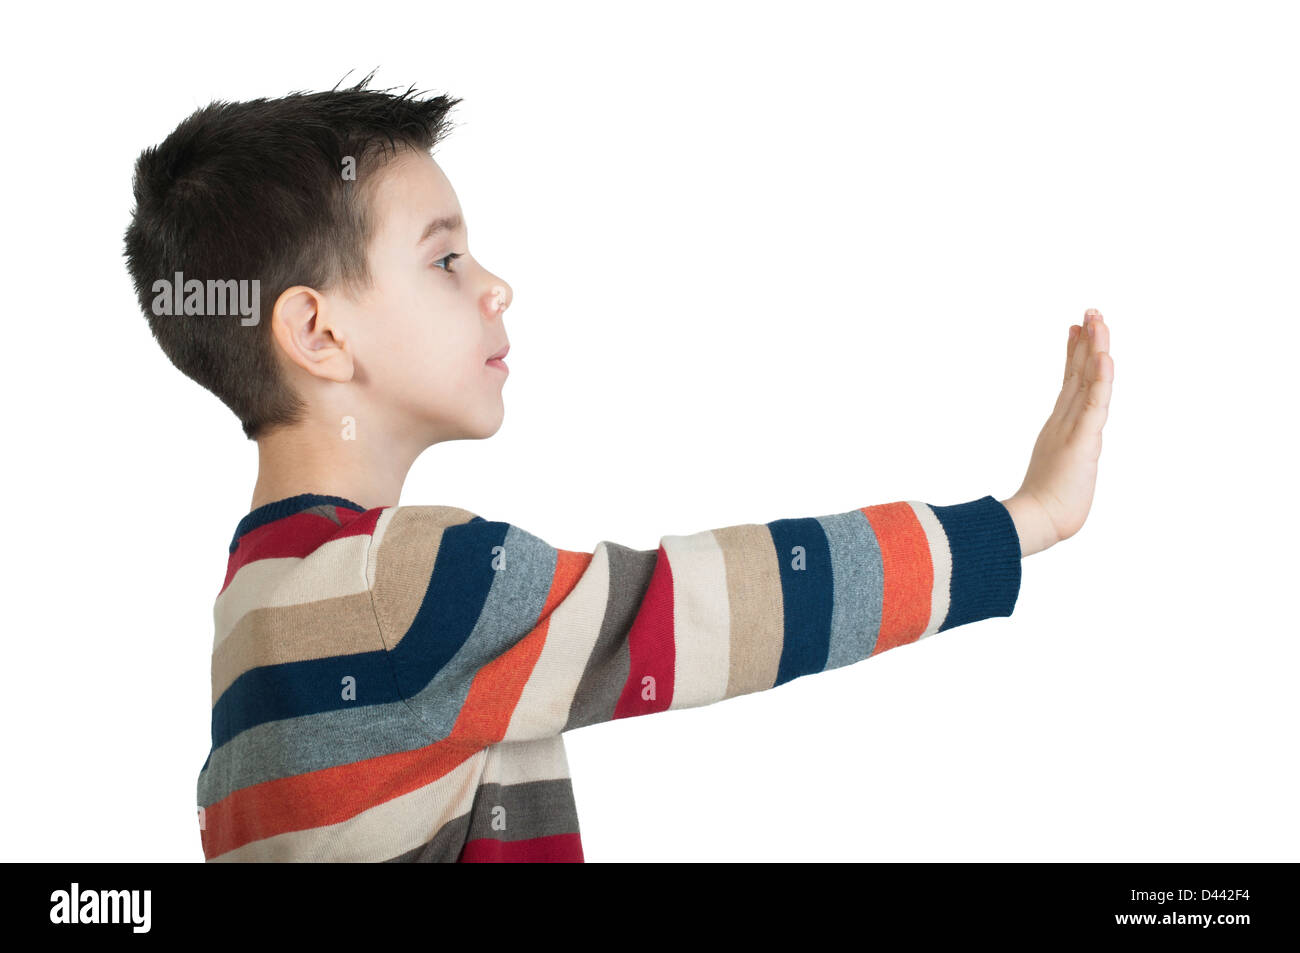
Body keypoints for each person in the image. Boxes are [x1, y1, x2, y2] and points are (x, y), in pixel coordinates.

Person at [123, 76, 1114, 862]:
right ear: (318, 331)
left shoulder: (248, 611)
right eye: (444, 259)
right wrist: (1020, 521)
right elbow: (722, 602)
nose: (495, 284)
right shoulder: (408, 590)